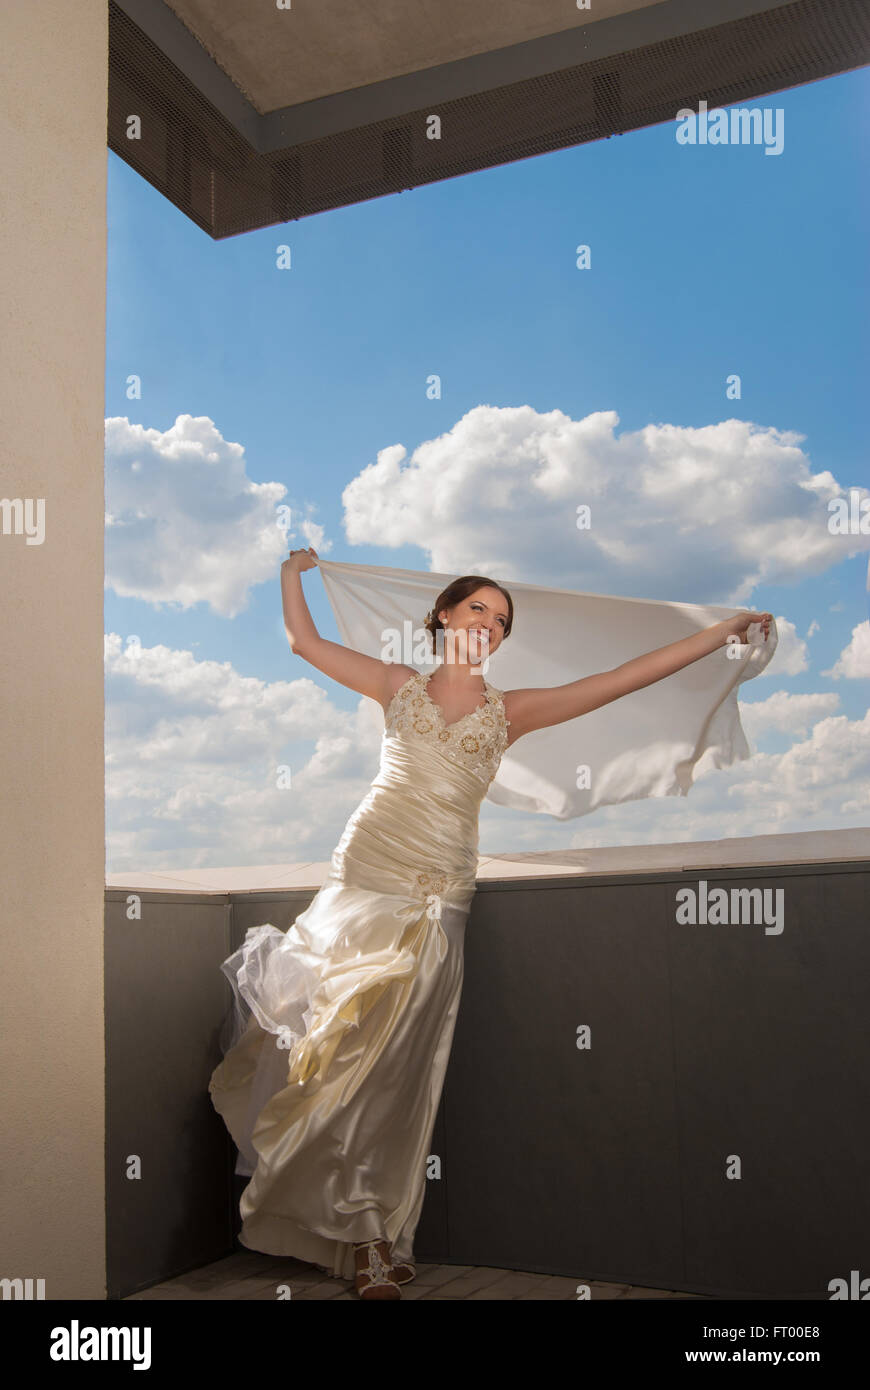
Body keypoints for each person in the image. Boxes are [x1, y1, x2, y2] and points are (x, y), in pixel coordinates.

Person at [209, 545, 772, 1299]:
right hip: (365, 871)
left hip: (440, 892)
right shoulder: (396, 686)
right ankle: (339, 1225)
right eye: (477, 607)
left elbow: (620, 680)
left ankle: (375, 1233)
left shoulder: (512, 712)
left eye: (501, 620)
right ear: (443, 615)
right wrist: (290, 574)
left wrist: (718, 633)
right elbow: (304, 645)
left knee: (394, 1073)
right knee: (331, 1050)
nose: (489, 623)